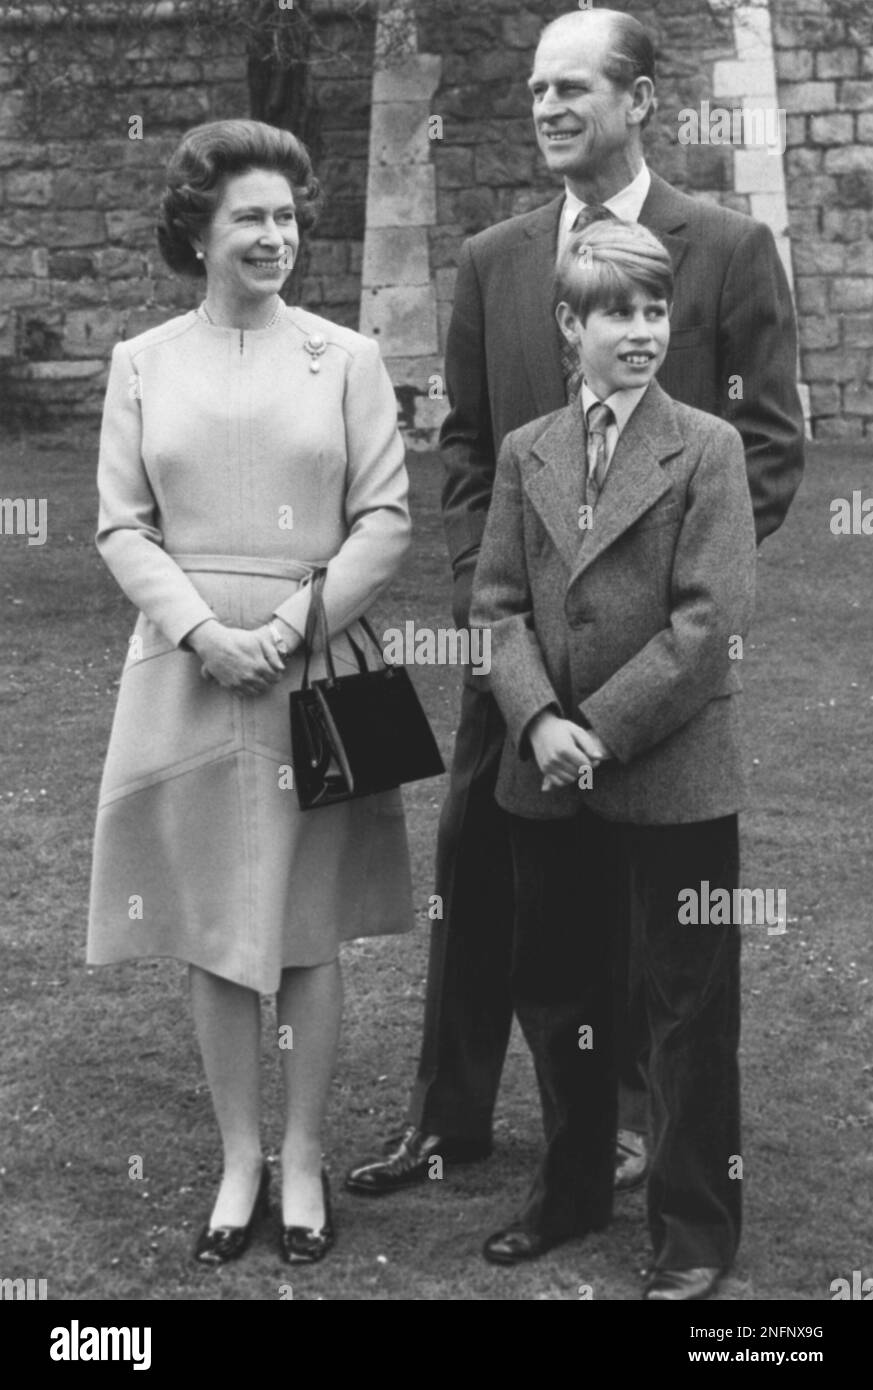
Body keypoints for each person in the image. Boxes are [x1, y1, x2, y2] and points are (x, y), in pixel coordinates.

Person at [346, 5, 803, 1200]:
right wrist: (495, 623)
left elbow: (764, 449)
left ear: (643, 99)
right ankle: (446, 1122)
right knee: (478, 877)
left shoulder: (725, 248)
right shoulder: (497, 259)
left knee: (646, 914)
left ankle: (633, 1121)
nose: (547, 106)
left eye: (575, 88)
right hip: (515, 664)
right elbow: (466, 452)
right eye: (539, 89)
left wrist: (669, 613)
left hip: (657, 668)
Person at [87, 118, 413, 1266]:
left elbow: (385, 518)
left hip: (309, 671)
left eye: (286, 216)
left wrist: (285, 624)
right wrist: (198, 631)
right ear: (198, 229)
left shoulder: (346, 357)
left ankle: (308, 1157)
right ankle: (238, 1158)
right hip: (183, 674)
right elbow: (121, 523)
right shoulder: (142, 362)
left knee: (308, 927)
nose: (274, 237)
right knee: (211, 921)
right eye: (249, 219)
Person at [471, 217, 756, 1300]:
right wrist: (539, 719)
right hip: (546, 774)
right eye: (615, 314)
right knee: (558, 989)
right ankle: (572, 1188)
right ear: (568, 325)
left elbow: (708, 619)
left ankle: (691, 1227)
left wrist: (603, 725)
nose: (640, 333)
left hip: (670, 773)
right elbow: (495, 603)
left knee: (685, 1005)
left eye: (654, 311)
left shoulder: (708, 448)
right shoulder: (528, 448)